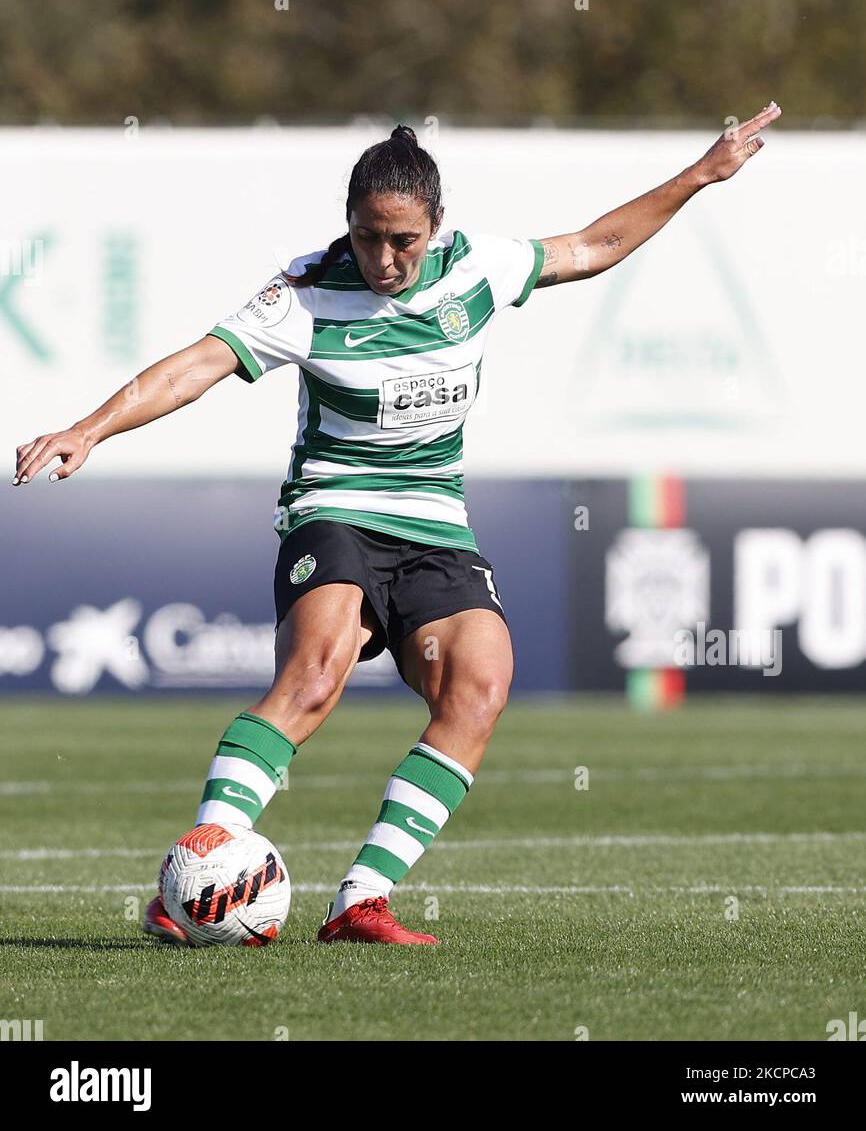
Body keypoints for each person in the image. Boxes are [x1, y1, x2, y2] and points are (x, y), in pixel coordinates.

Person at [13, 107, 781, 944]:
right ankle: (200, 864)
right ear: (348, 226)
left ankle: (360, 902)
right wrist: (88, 428)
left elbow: (593, 246)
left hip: (437, 523)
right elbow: (196, 365)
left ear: (435, 227)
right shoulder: (304, 293)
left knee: (480, 690)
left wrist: (699, 176)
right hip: (334, 508)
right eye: (369, 237)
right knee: (314, 676)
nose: (385, 259)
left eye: (404, 241)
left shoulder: (480, 267)